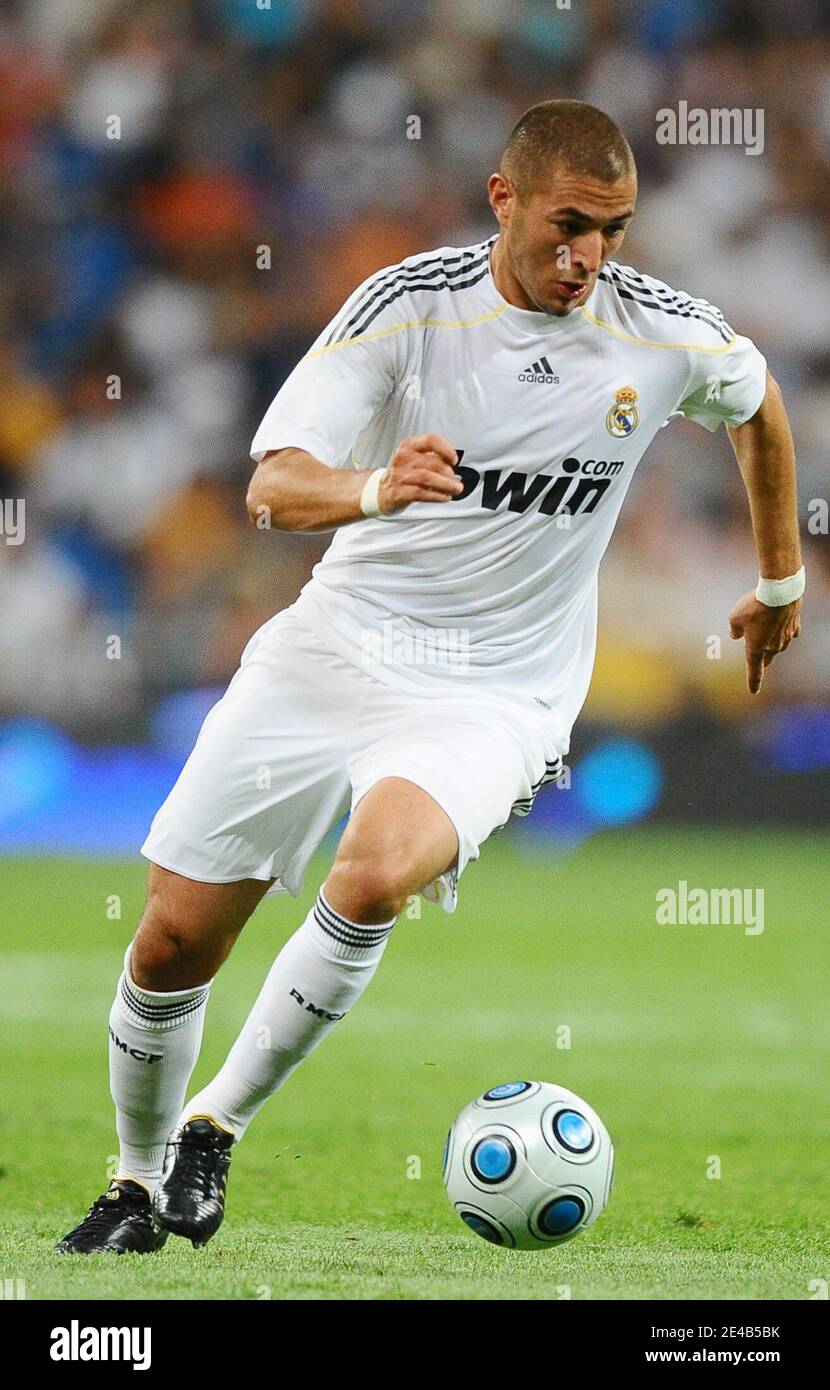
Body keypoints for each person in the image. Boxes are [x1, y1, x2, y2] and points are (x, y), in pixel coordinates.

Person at [57, 100, 802, 1254]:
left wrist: (778, 580)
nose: (589, 255)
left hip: (494, 692)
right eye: (568, 225)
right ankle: (133, 1181)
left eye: (611, 229)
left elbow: (756, 408)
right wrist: (373, 488)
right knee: (170, 944)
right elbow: (272, 486)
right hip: (335, 649)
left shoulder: (660, 332)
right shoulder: (406, 307)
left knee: (370, 876)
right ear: (503, 200)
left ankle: (216, 1124)